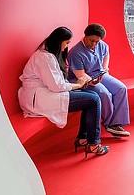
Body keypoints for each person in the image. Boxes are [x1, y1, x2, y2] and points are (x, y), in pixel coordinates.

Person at [18, 26, 109, 157]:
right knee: (93, 100)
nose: (66, 46)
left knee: (92, 96)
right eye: (66, 43)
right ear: (58, 41)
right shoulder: (44, 58)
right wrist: (78, 85)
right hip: (39, 99)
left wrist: (77, 85)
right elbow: (56, 86)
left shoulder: (48, 55)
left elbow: (56, 82)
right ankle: (93, 144)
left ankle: (83, 138)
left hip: (45, 94)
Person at [67, 23, 130, 137]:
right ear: (85, 36)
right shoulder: (75, 53)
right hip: (83, 79)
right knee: (104, 93)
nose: (95, 44)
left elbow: (106, 53)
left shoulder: (101, 44)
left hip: (99, 74)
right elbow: (81, 76)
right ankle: (110, 124)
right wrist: (92, 82)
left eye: (97, 41)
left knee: (121, 88)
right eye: (92, 41)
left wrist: (105, 68)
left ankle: (117, 123)